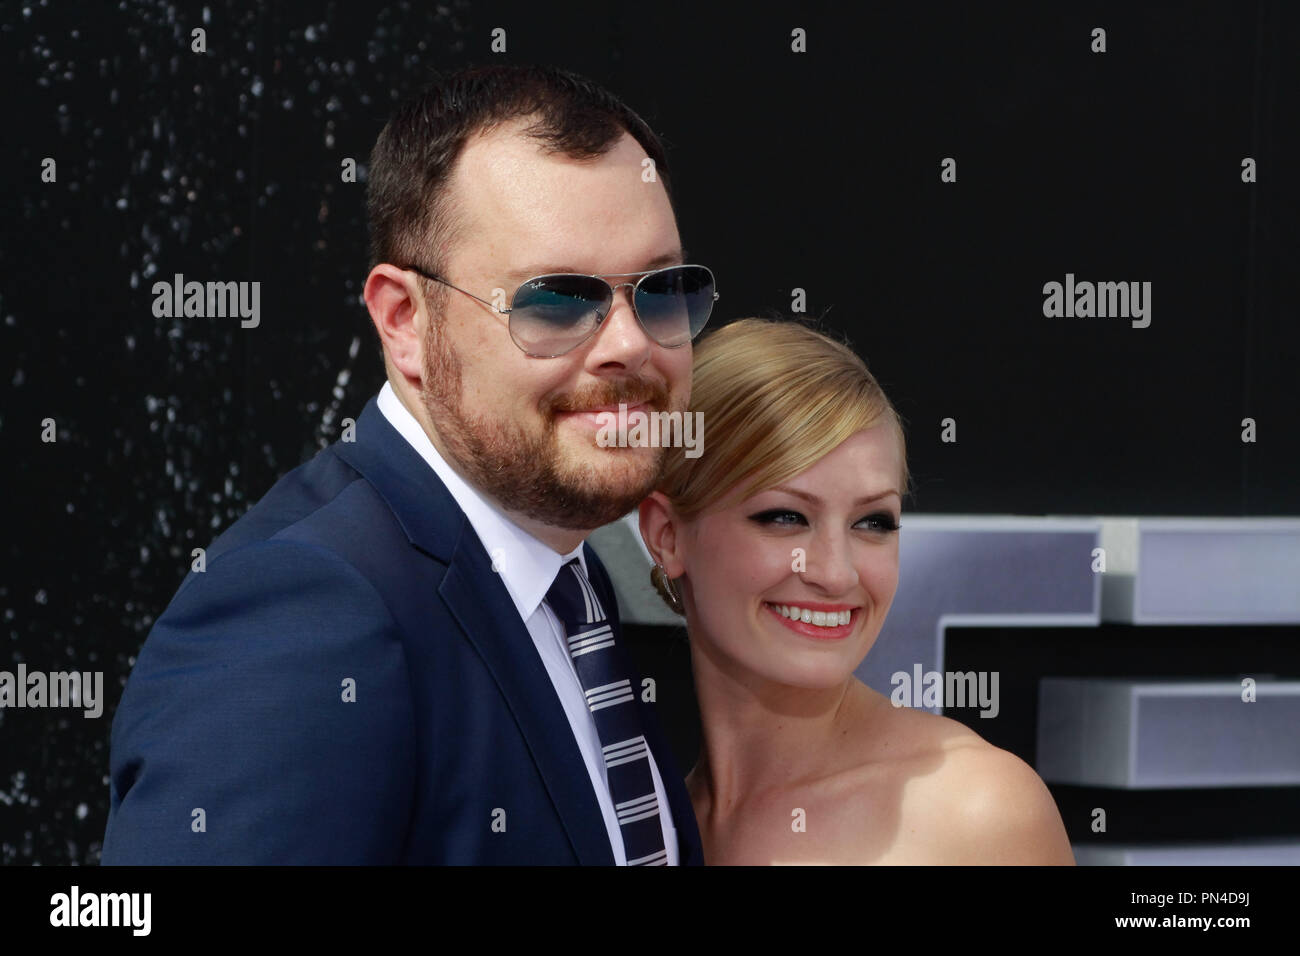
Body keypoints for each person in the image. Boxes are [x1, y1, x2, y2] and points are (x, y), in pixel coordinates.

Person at [102, 63, 716, 865]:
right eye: (558, 301)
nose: (632, 344)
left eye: (661, 290)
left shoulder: (561, 571)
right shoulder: (303, 618)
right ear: (404, 321)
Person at [638, 318, 1076, 864]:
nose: (836, 573)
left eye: (872, 523)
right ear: (667, 535)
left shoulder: (975, 813)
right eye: (785, 517)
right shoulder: (647, 830)